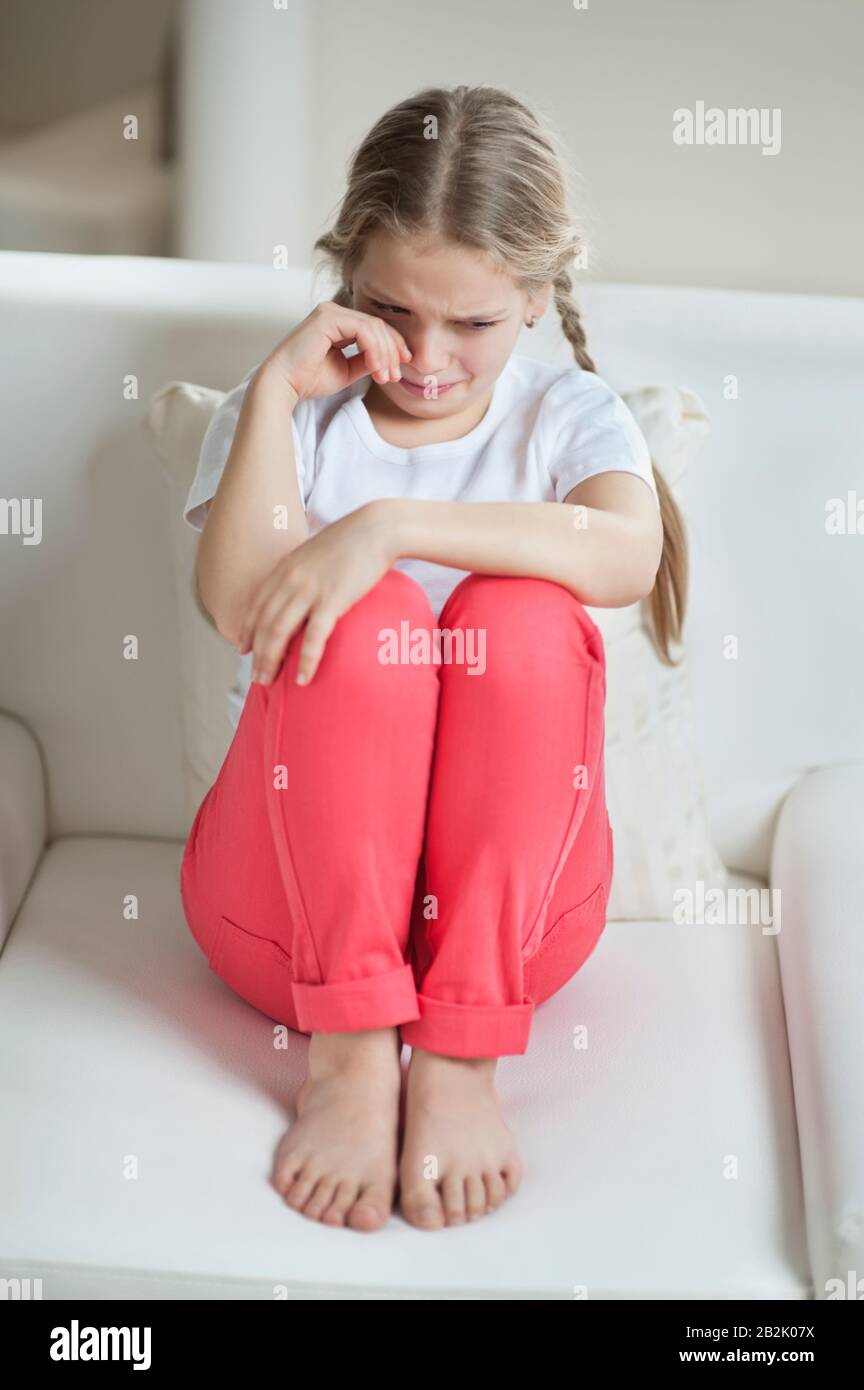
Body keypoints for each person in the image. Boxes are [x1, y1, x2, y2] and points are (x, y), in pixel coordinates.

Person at [180, 84, 684, 1235]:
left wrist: (386, 527)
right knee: (364, 622)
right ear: (341, 275)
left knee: (516, 615)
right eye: (394, 310)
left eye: (475, 324)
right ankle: (351, 1052)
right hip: (283, 916)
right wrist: (270, 393)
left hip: (515, 936)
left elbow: (622, 553)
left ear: (540, 298)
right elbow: (234, 602)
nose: (428, 357)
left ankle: (459, 1057)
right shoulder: (292, 418)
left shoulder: (572, 415)